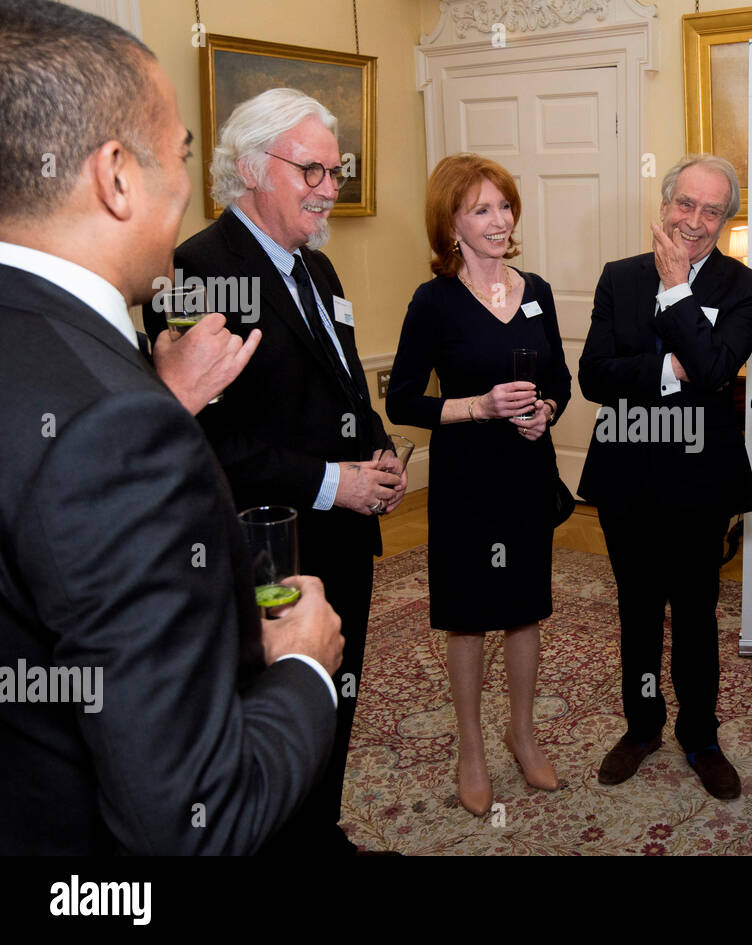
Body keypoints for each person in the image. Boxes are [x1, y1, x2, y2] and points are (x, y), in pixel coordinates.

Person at [0, 0, 344, 854]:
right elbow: (188, 809)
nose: (189, 182)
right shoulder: (191, 278)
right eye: (183, 153)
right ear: (117, 176)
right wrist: (302, 666)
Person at [152, 88, 407, 855]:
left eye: (336, 171)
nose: (331, 188)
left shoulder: (318, 268)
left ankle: (319, 833)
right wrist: (337, 480)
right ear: (253, 169)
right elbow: (209, 438)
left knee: (330, 695)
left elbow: (342, 382)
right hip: (266, 548)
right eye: (314, 171)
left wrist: (380, 445)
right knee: (271, 713)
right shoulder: (199, 271)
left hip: (344, 537)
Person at [578, 154, 752, 800]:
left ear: (725, 219)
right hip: (625, 474)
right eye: (684, 204)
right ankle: (641, 726)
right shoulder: (617, 278)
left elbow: (717, 368)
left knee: (695, 614)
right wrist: (667, 370)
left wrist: (678, 289)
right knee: (635, 611)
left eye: (711, 210)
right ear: (664, 206)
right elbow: (594, 375)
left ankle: (700, 735)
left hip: (700, 483)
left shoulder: (747, 287)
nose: (694, 220)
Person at [386, 154, 571, 816]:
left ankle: (522, 733)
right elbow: (403, 399)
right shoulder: (433, 302)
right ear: (451, 223)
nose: (500, 220)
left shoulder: (539, 290)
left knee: (525, 609)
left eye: (505, 205)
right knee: (466, 616)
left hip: (526, 473)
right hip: (466, 478)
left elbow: (562, 382)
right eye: (482, 209)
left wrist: (544, 411)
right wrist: (479, 407)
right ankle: (471, 746)